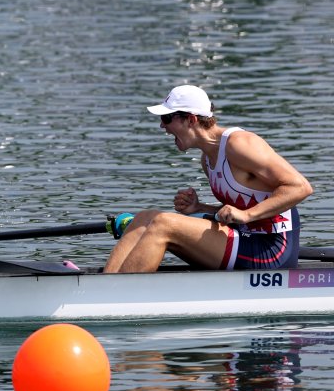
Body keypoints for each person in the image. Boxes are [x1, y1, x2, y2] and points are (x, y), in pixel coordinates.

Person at [104, 84, 313, 273]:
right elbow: (234, 211)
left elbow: (300, 187)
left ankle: (117, 298)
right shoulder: (207, 160)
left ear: (191, 119)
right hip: (245, 239)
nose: (162, 126)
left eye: (167, 119)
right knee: (145, 218)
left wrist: (248, 215)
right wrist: (199, 208)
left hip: (271, 250)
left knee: (163, 224)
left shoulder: (240, 144)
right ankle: (105, 287)